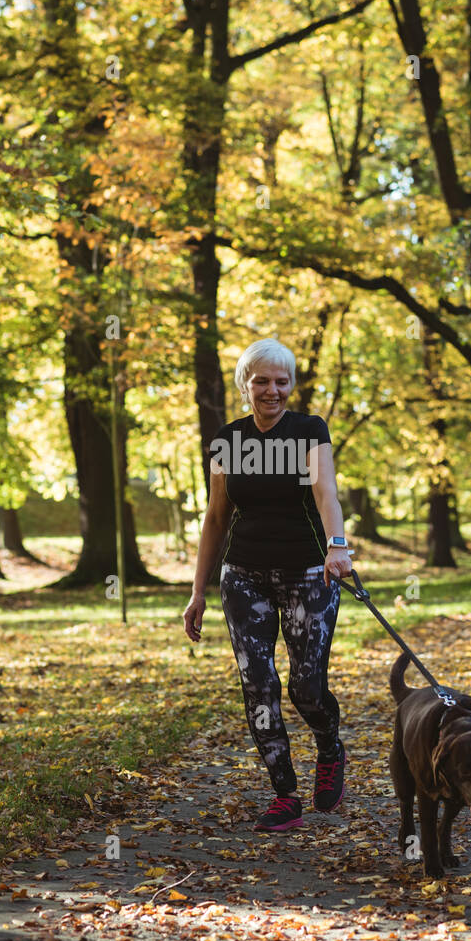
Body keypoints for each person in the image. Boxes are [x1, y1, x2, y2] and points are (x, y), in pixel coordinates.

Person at [182, 338, 353, 831]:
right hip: (244, 574)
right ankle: (284, 794)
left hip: (308, 572)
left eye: (281, 381)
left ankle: (329, 748)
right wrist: (197, 591)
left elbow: (325, 492)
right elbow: (216, 517)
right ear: (246, 384)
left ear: (291, 385)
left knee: (306, 687)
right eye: (261, 381)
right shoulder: (227, 440)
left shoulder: (308, 430)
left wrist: (337, 545)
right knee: (258, 685)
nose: (272, 390)